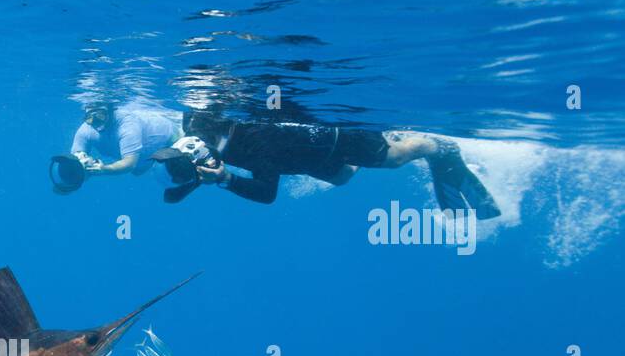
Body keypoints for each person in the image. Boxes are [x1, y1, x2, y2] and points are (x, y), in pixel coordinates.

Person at [168, 111, 501, 218]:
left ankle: (436, 146)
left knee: (396, 159)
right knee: (342, 179)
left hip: (335, 140)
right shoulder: (200, 125)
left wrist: (226, 179)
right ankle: (387, 133)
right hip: (305, 157)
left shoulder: (256, 146)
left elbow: (268, 194)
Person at [50, 103, 183, 194]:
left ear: (110, 112)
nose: (96, 123)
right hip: (144, 157)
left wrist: (106, 170)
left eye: (100, 116)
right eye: (90, 119)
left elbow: (129, 163)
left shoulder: (127, 125)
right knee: (138, 172)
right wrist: (68, 184)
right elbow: (74, 159)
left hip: (170, 138)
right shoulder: (85, 131)